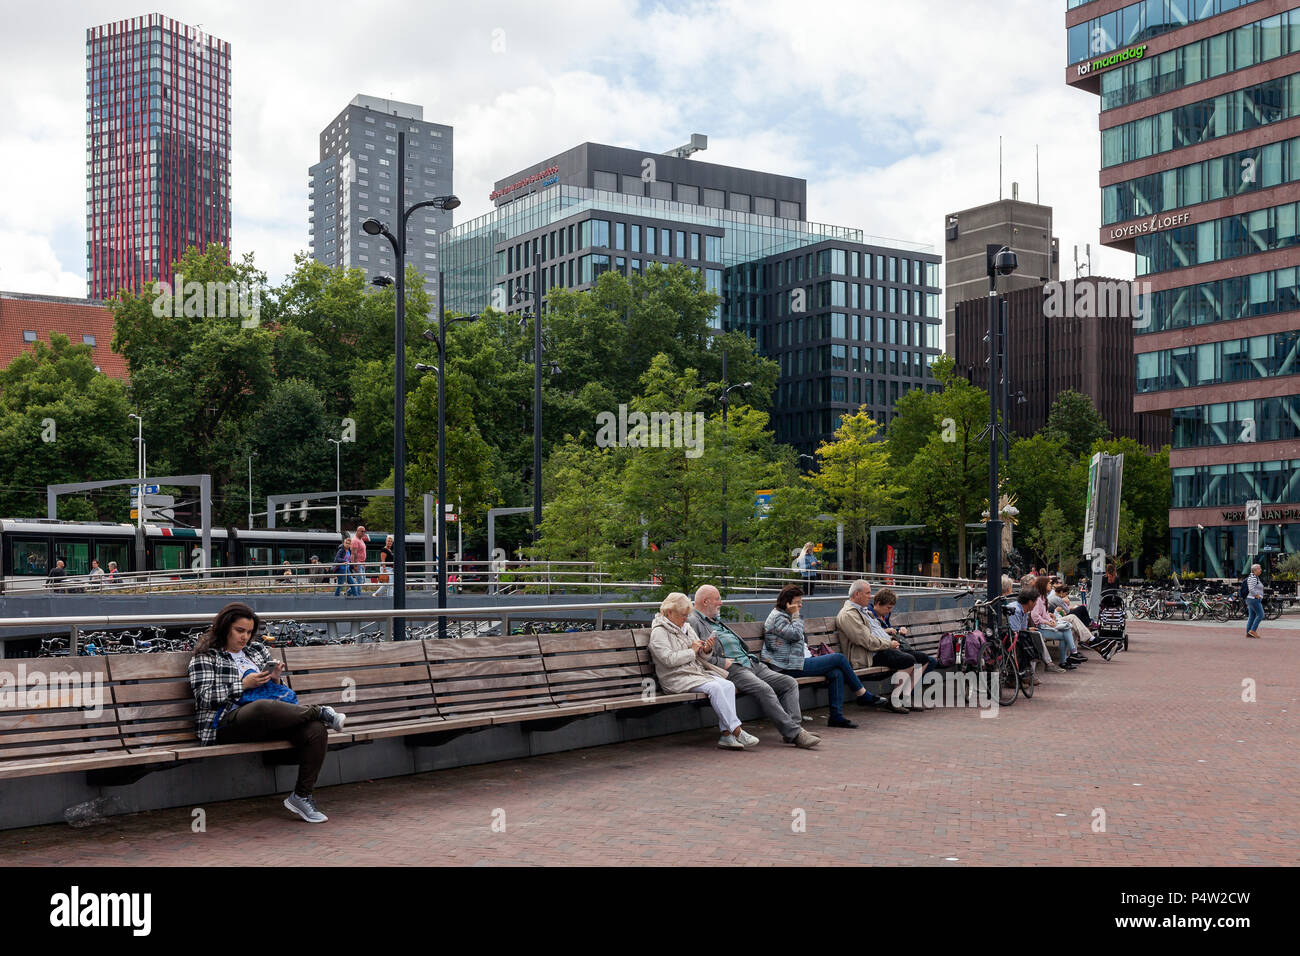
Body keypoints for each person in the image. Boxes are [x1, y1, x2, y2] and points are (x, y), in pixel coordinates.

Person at [187, 602, 346, 823]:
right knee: (261, 708)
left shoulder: (257, 650)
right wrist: (243, 685)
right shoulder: (206, 656)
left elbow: (277, 695)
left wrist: (275, 679)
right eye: (239, 631)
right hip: (224, 722)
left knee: (316, 730)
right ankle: (320, 711)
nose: (245, 637)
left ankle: (301, 796)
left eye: (249, 632)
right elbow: (204, 697)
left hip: (266, 719)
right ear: (225, 628)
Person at [690, 585, 820, 749]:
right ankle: (795, 734)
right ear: (705, 601)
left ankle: (794, 730)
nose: (721, 603)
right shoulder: (693, 621)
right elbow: (697, 654)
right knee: (764, 689)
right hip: (732, 668)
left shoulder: (714, 620)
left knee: (788, 683)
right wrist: (722, 663)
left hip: (750, 662)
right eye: (717, 599)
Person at [768, 584, 896, 726]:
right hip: (789, 666)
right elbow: (796, 635)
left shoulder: (786, 616)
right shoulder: (778, 618)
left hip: (800, 661)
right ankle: (862, 694)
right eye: (798, 602)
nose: (801, 605)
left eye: (801, 601)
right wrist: (796, 616)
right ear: (788, 602)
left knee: (835, 672)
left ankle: (836, 717)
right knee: (839, 658)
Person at [648, 592, 758, 750]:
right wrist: (692, 652)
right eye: (682, 615)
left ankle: (726, 736)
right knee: (714, 687)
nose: (686, 619)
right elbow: (668, 660)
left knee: (728, 686)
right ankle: (737, 731)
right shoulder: (659, 632)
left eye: (687, 615)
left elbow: (700, 655)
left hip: (694, 673)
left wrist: (705, 649)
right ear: (669, 612)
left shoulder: (685, 627)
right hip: (674, 678)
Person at [863, 587, 937, 707]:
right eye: (888, 607)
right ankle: (895, 699)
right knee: (909, 660)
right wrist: (888, 631)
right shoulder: (868, 614)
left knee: (924, 659)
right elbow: (870, 634)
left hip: (893, 646)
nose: (889, 611)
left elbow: (887, 631)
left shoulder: (884, 615)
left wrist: (898, 630)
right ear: (878, 603)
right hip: (879, 650)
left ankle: (905, 697)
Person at [1031, 575, 1081, 670]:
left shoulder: (1043, 598)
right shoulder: (1038, 599)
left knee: (1066, 631)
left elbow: (1045, 614)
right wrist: (1048, 622)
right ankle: (1070, 656)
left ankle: (1068, 657)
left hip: (1045, 625)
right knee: (1066, 634)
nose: (1052, 586)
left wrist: (1051, 620)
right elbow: (1035, 616)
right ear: (1043, 585)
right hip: (1040, 628)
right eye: (1049, 583)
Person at [1245, 563, 1264, 639]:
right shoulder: (1253, 578)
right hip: (1254, 599)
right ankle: (1253, 630)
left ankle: (1248, 633)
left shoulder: (1255, 577)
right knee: (1261, 615)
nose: (1261, 570)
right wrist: (1257, 595)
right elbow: (1251, 588)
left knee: (1252, 616)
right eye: (1259, 568)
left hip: (1251, 599)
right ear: (1255, 570)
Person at [348, 526, 369, 597]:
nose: (363, 533)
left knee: (362, 581)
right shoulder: (355, 540)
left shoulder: (361, 540)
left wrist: (364, 563)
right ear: (357, 531)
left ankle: (349, 592)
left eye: (364, 531)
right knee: (360, 581)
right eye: (361, 531)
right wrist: (355, 565)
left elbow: (362, 552)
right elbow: (354, 553)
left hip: (361, 563)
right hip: (357, 563)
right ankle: (357, 596)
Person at [333, 533, 353, 597]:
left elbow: (349, 560)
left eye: (349, 543)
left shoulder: (349, 550)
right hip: (341, 569)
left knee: (351, 584)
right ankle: (336, 597)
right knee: (340, 585)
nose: (347, 545)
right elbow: (337, 559)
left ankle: (354, 595)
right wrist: (344, 561)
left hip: (347, 569)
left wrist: (351, 565)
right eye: (346, 543)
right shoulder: (341, 550)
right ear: (344, 543)